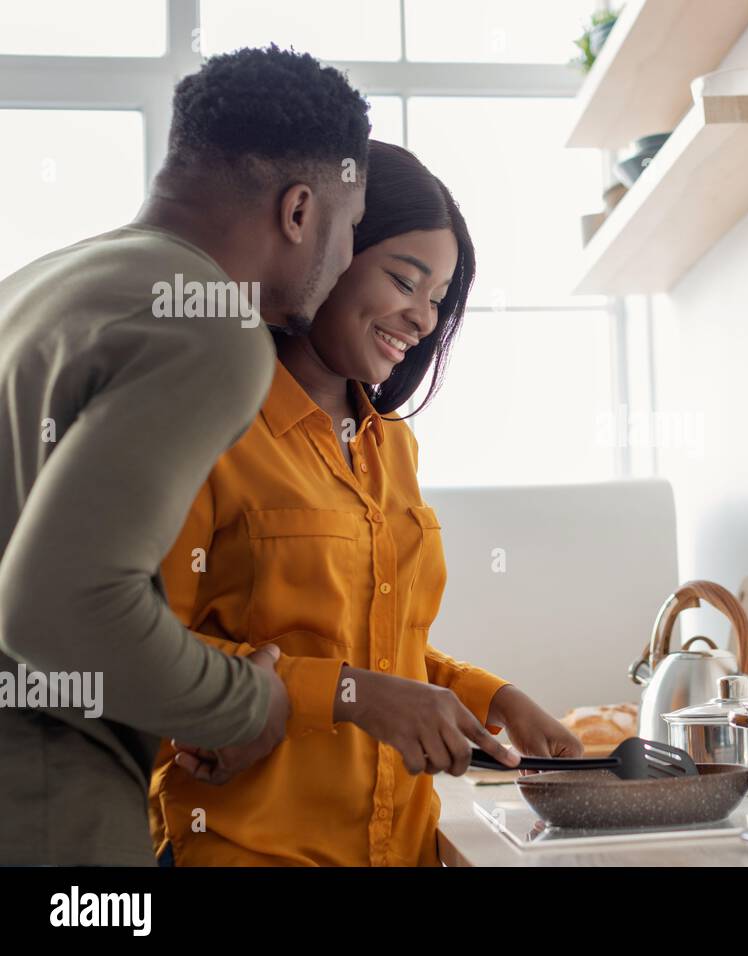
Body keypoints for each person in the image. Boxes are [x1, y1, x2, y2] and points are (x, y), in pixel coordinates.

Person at [149, 142, 577, 866]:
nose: (422, 319)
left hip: (404, 850)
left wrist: (491, 697)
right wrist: (346, 695)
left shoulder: (394, 450)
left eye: (438, 300)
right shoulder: (212, 431)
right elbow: (149, 660)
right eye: (405, 282)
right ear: (329, 249)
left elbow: (376, 650)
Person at [0, 45, 370, 866]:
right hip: (48, 810)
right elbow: (56, 606)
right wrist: (250, 704)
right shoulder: (212, 322)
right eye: (350, 230)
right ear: (300, 211)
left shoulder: (41, 287)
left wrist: (181, 701)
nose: (345, 264)